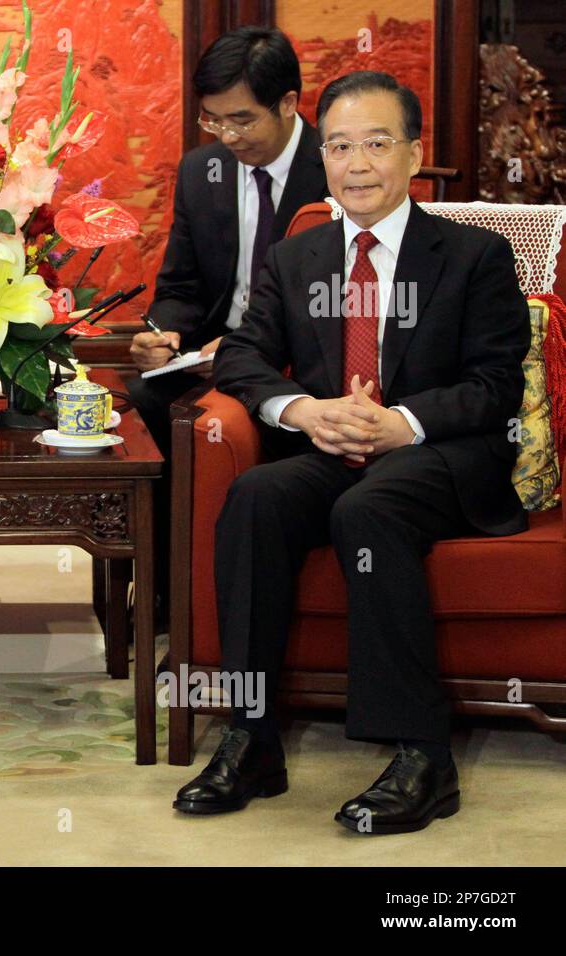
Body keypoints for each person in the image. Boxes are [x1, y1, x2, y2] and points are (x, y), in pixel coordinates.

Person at [173, 71, 529, 835]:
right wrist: (306, 410)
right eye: (339, 146)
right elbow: (241, 356)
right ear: (323, 157)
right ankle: (252, 734)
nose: (357, 164)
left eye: (377, 143)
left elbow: (496, 387)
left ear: (413, 153)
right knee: (258, 495)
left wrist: (399, 422)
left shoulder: (475, 256)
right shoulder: (296, 258)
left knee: (371, 507)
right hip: (333, 445)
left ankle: (422, 755)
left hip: (443, 456)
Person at [127, 27, 328, 624]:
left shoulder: (336, 167)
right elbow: (182, 287)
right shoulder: (201, 172)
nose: (229, 137)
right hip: (209, 356)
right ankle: (170, 592)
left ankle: (226, 595)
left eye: (243, 120)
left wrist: (245, 347)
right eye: (214, 121)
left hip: (298, 360)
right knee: (146, 396)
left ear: (289, 104)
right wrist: (162, 335)